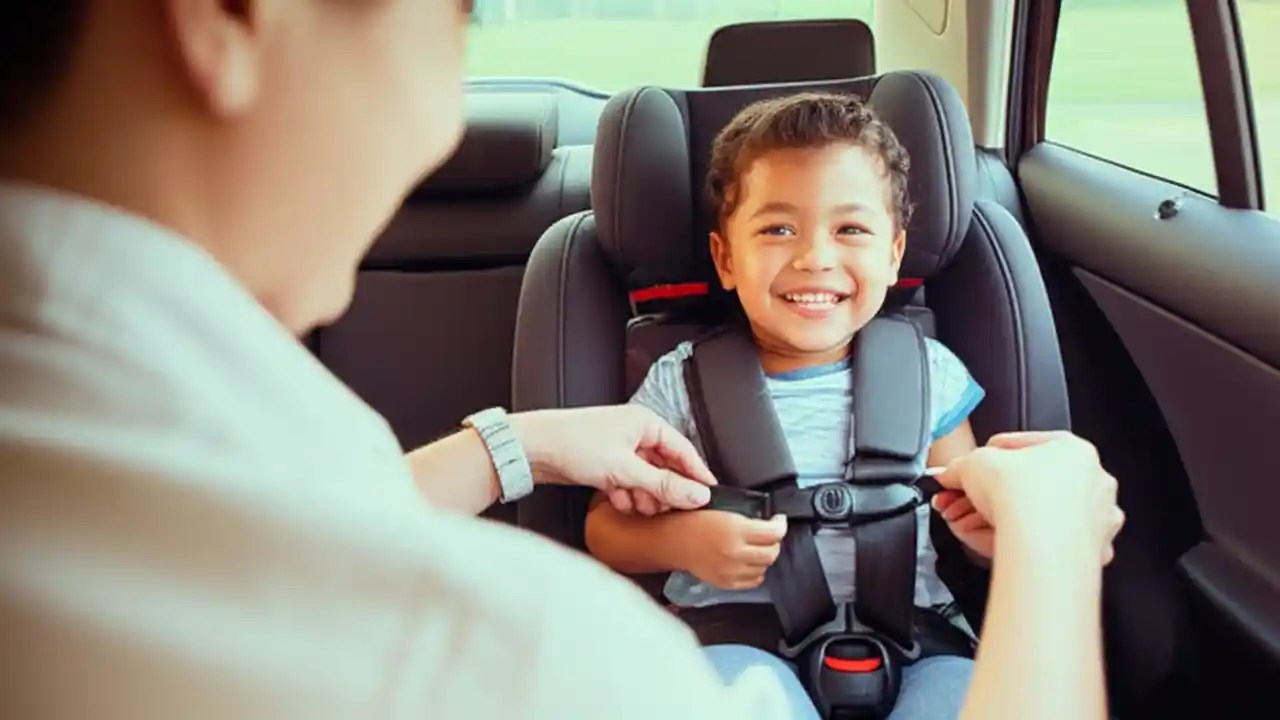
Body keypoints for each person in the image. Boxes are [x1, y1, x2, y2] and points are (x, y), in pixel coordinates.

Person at [0, 2, 1122, 720]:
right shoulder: (521, 654)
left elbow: (281, 530)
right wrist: (1054, 546)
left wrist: (513, 445)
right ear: (235, 16)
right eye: (460, 18)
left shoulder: (131, 489)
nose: (443, 120)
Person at [584, 92, 989, 718]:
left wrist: (993, 537)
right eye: (777, 229)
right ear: (725, 258)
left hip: (918, 640)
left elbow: (968, 522)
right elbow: (605, 529)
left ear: (893, 254)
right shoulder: (681, 384)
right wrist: (684, 541)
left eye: (850, 229)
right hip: (738, 635)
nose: (814, 258)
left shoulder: (929, 374)